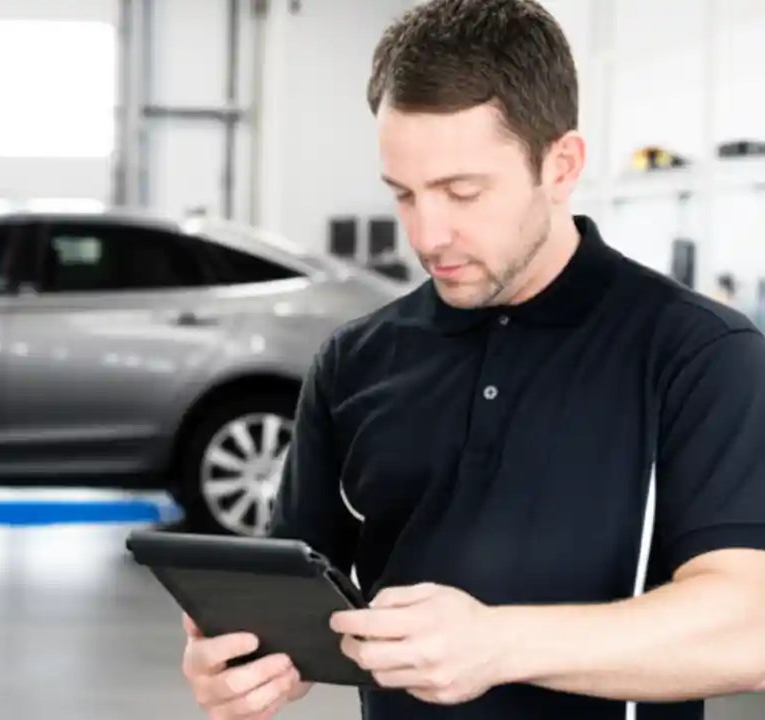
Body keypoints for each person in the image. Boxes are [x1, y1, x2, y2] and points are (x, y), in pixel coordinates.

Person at [177, 0, 765, 718]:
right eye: (405, 196)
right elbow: (291, 605)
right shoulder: (354, 361)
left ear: (561, 165)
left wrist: (501, 643)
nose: (428, 236)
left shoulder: (698, 354)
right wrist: (242, 658)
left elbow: (750, 629)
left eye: (462, 192)